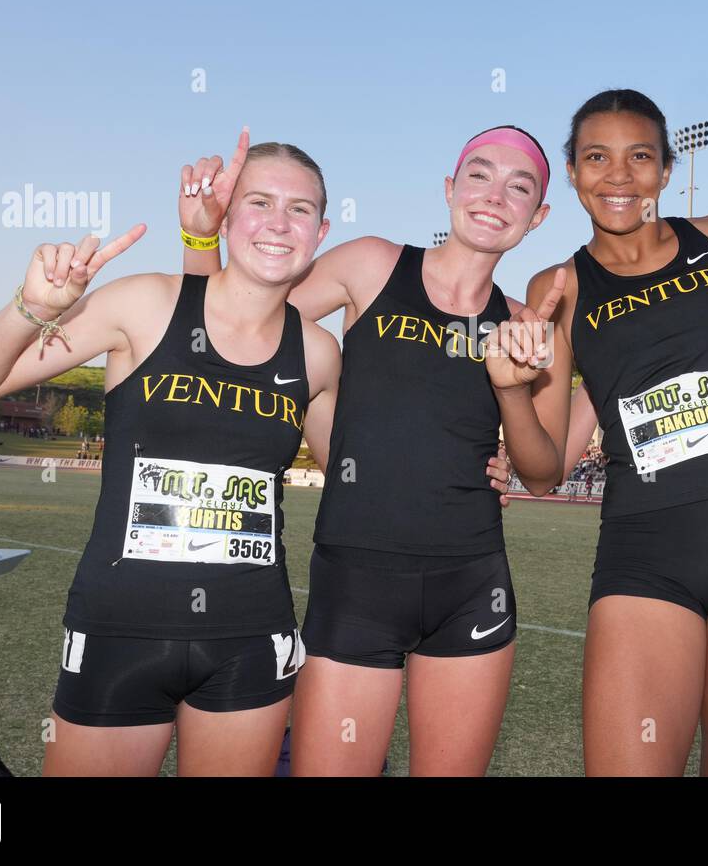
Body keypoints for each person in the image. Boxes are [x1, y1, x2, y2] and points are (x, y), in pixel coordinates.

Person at [0, 139, 343, 775]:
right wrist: (32, 310)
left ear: (321, 232)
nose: (278, 223)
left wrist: (480, 462)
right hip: (118, 628)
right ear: (227, 214)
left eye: (300, 210)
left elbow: (354, 475)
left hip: (249, 636)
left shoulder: (318, 352)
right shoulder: (145, 304)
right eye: (259, 201)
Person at [180, 125, 544, 775]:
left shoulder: (525, 325)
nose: (495, 195)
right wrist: (204, 239)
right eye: (480, 175)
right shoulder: (373, 263)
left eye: (520, 187)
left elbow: (543, 471)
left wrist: (512, 431)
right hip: (356, 581)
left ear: (538, 215)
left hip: (472, 585)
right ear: (449, 189)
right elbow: (233, 326)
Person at [488, 90, 708, 775]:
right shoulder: (558, 287)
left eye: (639, 156)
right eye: (596, 157)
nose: (618, 175)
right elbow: (543, 470)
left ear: (667, 170)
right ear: (574, 170)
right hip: (645, 552)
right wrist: (509, 392)